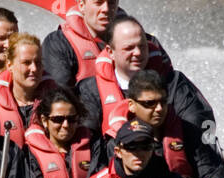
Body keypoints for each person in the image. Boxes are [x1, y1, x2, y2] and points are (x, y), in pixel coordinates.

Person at [78, 15, 213, 137]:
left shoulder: (174, 83)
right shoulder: (90, 90)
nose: (137, 53)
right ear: (110, 52)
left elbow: (197, 120)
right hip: (118, 159)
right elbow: (88, 141)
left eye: (142, 46)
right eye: (129, 48)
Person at [40, 0, 172, 89]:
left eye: (111, 2)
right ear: (82, 5)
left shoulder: (145, 42)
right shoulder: (58, 43)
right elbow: (58, 98)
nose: (105, 9)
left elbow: (171, 88)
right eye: (99, 2)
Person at [118, 69, 224, 178]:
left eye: (163, 102)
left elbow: (208, 167)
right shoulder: (122, 140)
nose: (159, 108)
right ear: (131, 105)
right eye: (150, 103)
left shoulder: (187, 131)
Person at [17, 87, 94, 178]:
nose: (66, 125)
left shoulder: (93, 145)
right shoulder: (29, 154)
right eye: (58, 119)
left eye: (72, 119)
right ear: (44, 120)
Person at [88, 121, 191, 178]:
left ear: (152, 149)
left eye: (145, 146)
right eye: (131, 147)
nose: (139, 153)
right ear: (118, 152)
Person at [0, 32, 45, 135]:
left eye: (38, 62)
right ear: (10, 65)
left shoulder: (57, 106)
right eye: (26, 63)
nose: (34, 68)